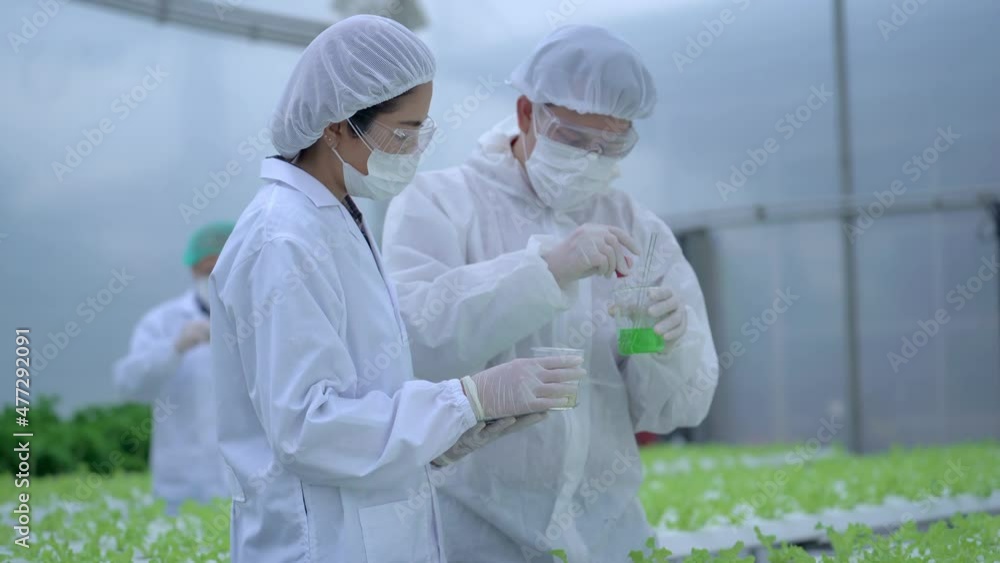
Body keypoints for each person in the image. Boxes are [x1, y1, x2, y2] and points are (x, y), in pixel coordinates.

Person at [208, 15, 585, 563]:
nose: (412, 150)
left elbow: (361, 391)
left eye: (420, 132)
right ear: (335, 126)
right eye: (402, 133)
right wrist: (464, 399)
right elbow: (307, 429)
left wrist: (445, 437)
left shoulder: (335, 218)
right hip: (319, 545)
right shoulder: (282, 238)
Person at [383, 25, 720, 562]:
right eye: (574, 139)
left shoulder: (638, 227)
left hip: (608, 536)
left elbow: (670, 410)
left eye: (610, 145)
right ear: (526, 113)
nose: (591, 157)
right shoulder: (439, 203)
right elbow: (412, 345)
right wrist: (543, 270)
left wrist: (664, 347)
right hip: (472, 535)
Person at [113, 220, 234, 515]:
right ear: (193, 270)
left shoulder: (263, 317)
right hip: (181, 489)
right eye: (207, 271)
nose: (215, 277)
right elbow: (128, 385)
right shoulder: (163, 322)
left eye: (224, 268)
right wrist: (174, 348)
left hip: (247, 485)